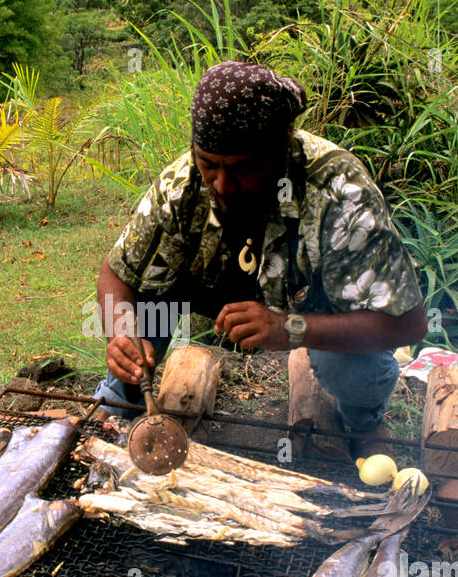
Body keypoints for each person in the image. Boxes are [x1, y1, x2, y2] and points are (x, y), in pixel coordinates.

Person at [93, 60, 427, 455]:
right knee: (147, 299)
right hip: (215, 284)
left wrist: (291, 329)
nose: (221, 184)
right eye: (208, 163)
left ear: (281, 147)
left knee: (349, 365)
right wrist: (121, 332)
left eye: (241, 169)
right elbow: (117, 275)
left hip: (311, 305)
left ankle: (362, 420)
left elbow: (407, 324)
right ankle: (126, 394)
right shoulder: (181, 185)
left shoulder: (339, 191)